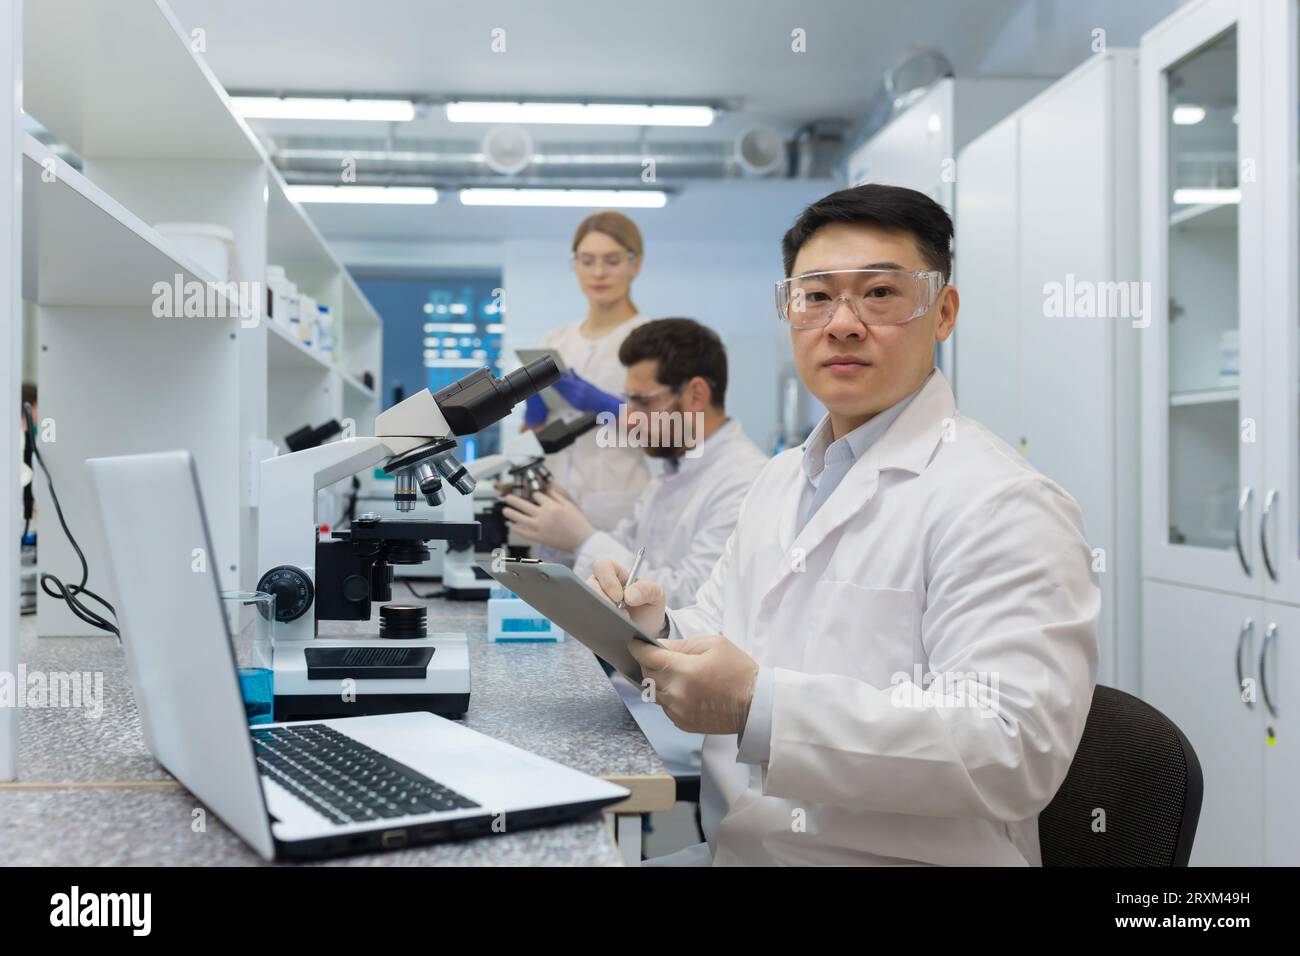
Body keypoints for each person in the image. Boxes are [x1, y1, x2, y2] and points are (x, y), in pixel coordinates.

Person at [586, 184, 1100, 867]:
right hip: (742, 849)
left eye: (881, 294)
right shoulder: (782, 478)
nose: (843, 322)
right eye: (816, 297)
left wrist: (758, 706)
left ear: (942, 312)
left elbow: (1012, 749)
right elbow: (725, 629)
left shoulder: (1002, 501)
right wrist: (653, 627)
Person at [502, 317, 768, 608]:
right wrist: (566, 522)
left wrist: (583, 540)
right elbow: (623, 549)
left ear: (696, 395)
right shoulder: (669, 474)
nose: (631, 417)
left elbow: (694, 598)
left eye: (642, 402)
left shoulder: (745, 481)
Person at [523, 211, 652, 536]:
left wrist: (607, 407)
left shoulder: (653, 340)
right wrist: (533, 415)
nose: (598, 272)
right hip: (553, 504)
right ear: (575, 265)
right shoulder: (554, 341)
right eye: (587, 260)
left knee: (613, 585)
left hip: (619, 509)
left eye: (611, 261)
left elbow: (675, 434)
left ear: (634, 265)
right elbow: (533, 436)